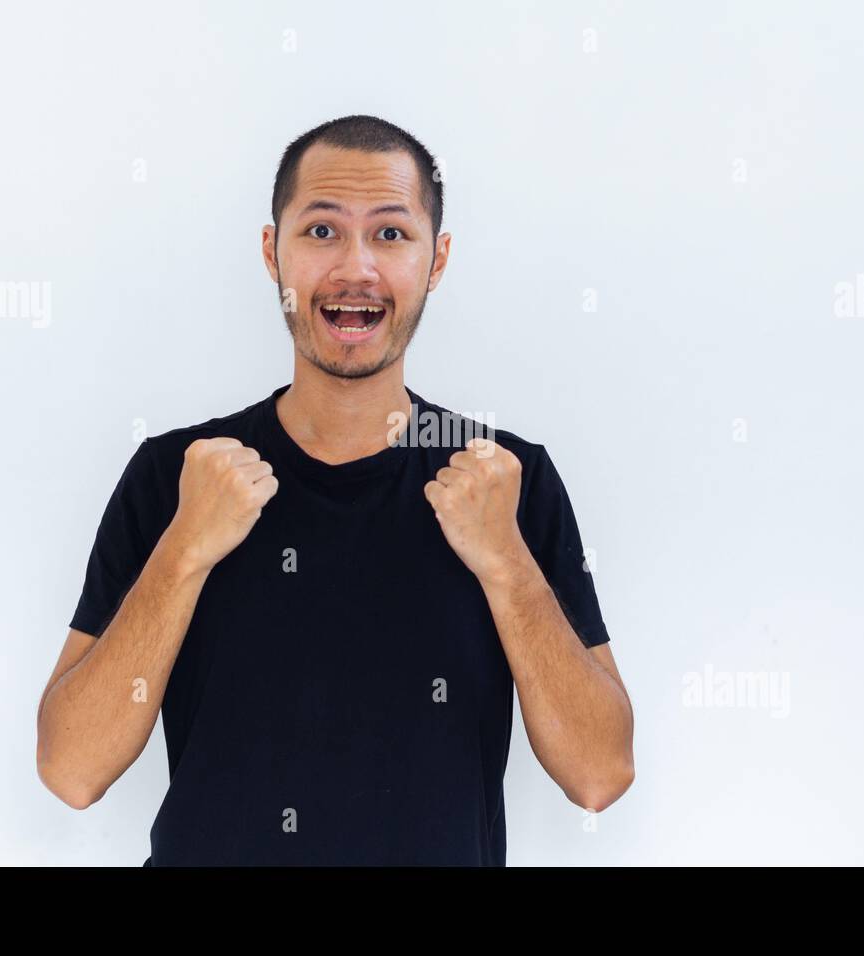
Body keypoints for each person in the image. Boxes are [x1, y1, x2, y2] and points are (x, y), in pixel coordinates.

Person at [35, 114, 634, 865]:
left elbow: (600, 775)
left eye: (391, 234)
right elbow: (70, 769)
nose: (356, 269)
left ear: (436, 260)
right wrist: (185, 548)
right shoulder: (175, 476)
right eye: (321, 232)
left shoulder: (508, 481)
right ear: (271, 252)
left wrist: (507, 562)